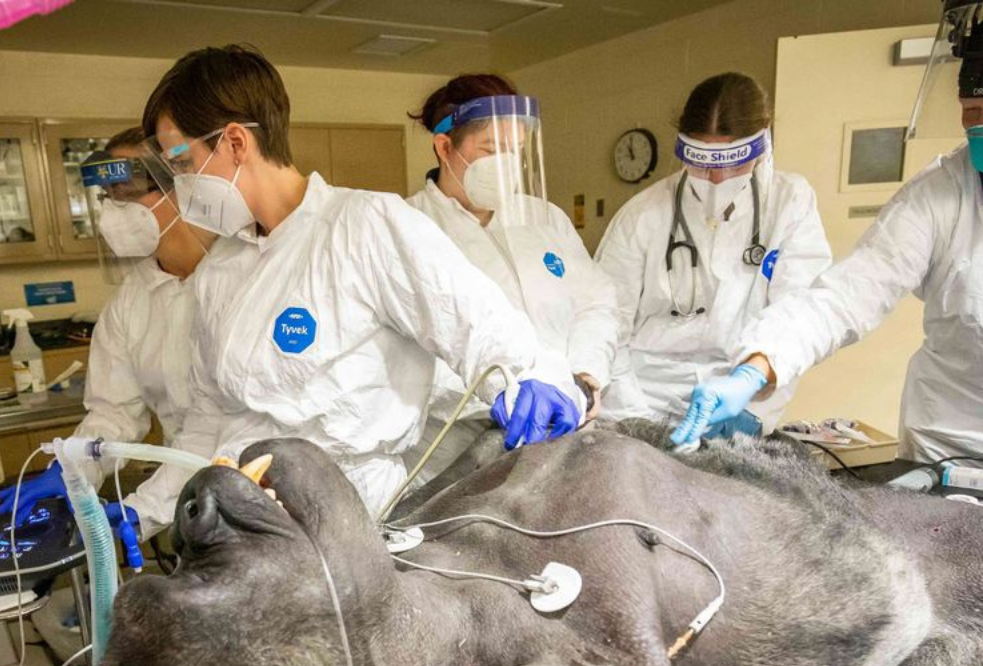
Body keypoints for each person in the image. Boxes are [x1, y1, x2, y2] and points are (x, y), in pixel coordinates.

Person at [138, 45, 583, 518]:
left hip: (355, 517)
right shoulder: (221, 269)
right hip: (246, 517)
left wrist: (537, 381)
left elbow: (482, 326)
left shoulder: (364, 225)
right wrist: (142, 509)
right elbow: (208, 420)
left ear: (234, 143)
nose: (180, 184)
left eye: (183, 164)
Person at [672, 2, 983, 464]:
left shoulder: (789, 200)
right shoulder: (938, 197)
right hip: (952, 444)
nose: (977, 127)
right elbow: (842, 298)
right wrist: (752, 373)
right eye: (972, 111)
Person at [0, 127, 216, 540]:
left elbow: (226, 425)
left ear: (182, 188)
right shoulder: (131, 301)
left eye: (128, 191)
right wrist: (72, 470)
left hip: (255, 494)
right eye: (108, 195)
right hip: (185, 506)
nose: (115, 209)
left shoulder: (237, 282)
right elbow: (115, 412)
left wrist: (146, 508)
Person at [404, 74, 620, 481]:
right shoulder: (407, 228)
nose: (506, 164)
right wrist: (507, 390)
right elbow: (409, 356)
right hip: (457, 451)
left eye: (515, 150)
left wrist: (585, 376)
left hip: (567, 431)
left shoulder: (545, 218)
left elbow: (597, 303)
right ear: (444, 147)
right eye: (491, 150)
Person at [596, 72, 832, 438]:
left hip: (740, 400)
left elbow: (798, 317)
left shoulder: (789, 204)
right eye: (703, 164)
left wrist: (754, 408)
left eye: (733, 164)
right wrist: (636, 423)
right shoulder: (642, 215)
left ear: (763, 146)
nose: (717, 179)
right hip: (644, 397)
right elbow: (605, 325)